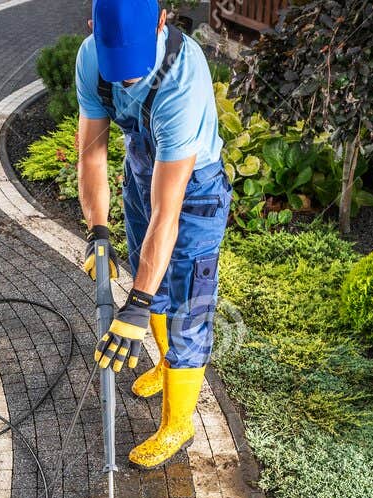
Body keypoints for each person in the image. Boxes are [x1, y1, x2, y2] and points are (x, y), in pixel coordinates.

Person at [75, 0, 230, 470]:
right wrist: (97, 230)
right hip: (142, 173)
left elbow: (170, 212)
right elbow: (91, 155)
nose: (124, 82)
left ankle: (179, 423)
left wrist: (135, 304)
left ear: (162, 21)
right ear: (92, 31)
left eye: (132, 71)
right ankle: (166, 365)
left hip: (194, 189)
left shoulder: (182, 78)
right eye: (116, 69)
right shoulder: (90, 58)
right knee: (151, 277)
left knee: (186, 305)